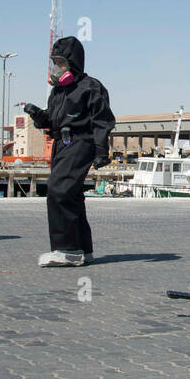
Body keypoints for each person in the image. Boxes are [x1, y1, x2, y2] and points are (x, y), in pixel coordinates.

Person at [23, 36, 115, 267]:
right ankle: (83, 248)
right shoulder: (58, 92)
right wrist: (37, 115)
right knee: (71, 195)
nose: (57, 67)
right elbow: (52, 121)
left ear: (73, 63)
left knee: (59, 191)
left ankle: (67, 249)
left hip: (80, 142)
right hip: (60, 144)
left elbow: (103, 120)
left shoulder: (91, 87)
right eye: (54, 62)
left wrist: (101, 150)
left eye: (61, 62)